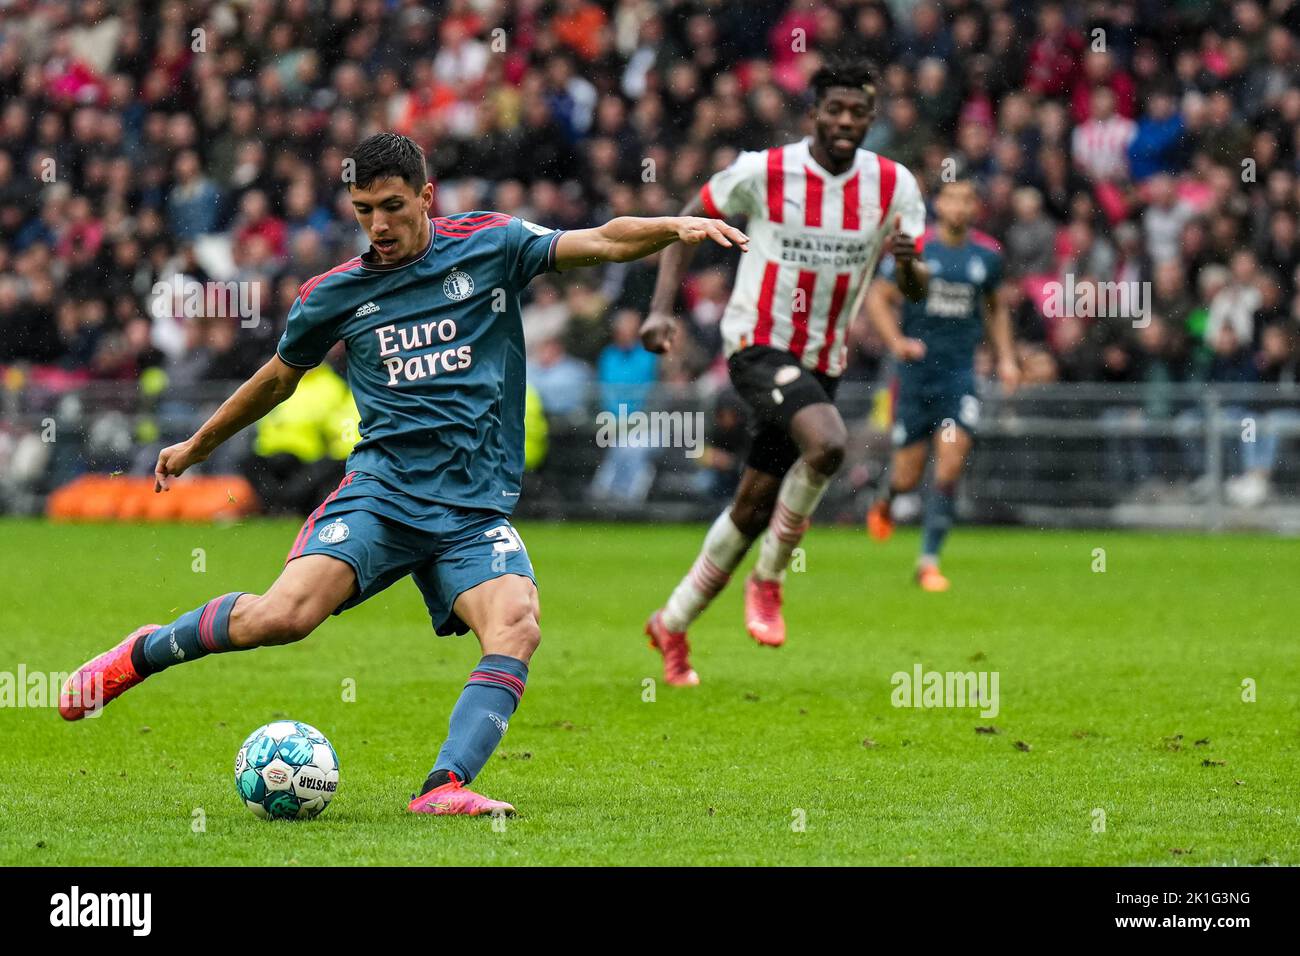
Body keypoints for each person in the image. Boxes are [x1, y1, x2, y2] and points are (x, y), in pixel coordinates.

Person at [58, 132, 747, 816]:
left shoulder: (491, 244)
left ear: (426, 196)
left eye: (392, 206)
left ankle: (444, 786)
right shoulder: (334, 294)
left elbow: (600, 239)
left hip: (472, 511)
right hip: (382, 495)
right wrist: (196, 445)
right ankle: (141, 652)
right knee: (283, 618)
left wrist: (672, 227)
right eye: (363, 210)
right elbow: (276, 380)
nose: (378, 225)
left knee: (517, 625)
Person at [641, 60, 927, 685]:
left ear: (871, 119)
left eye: (858, 111)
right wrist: (662, 310)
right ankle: (769, 582)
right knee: (827, 445)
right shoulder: (764, 171)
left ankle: (672, 621)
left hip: (822, 358)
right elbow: (688, 223)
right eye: (835, 109)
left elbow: (915, 284)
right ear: (814, 115)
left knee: (751, 505)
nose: (846, 121)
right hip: (756, 343)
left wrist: (906, 266)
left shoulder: (894, 184)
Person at [865, 178, 1019, 590]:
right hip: (916, 377)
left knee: (950, 462)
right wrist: (897, 342)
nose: (959, 205)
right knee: (908, 475)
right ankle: (886, 497)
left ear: (975, 207)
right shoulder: (916, 249)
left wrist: (1006, 358)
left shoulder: (986, 256)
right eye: (952, 197)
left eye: (967, 198)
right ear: (938, 204)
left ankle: (928, 562)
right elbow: (877, 297)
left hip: (959, 375)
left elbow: (995, 307)